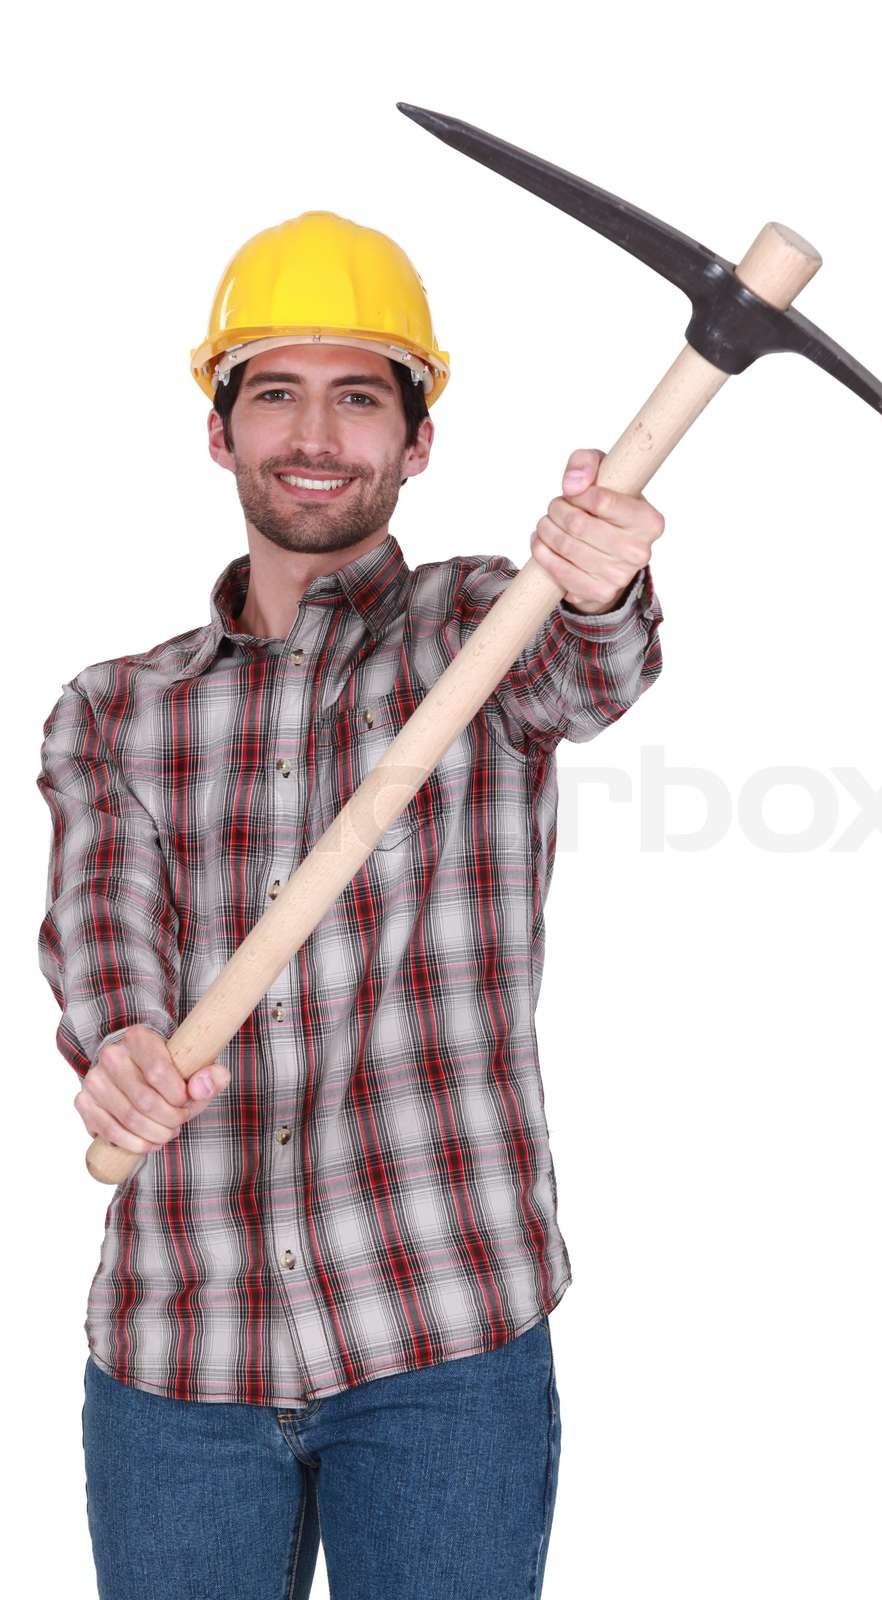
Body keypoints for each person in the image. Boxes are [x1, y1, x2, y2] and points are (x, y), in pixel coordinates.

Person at [37, 210, 665, 1599]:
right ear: (220, 433)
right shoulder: (115, 707)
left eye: (359, 397)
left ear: (416, 440)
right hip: (177, 1351)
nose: (315, 433)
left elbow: (587, 670)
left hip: (444, 1338)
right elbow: (99, 920)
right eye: (276, 393)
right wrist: (127, 1048)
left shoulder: (483, 631)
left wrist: (602, 579)